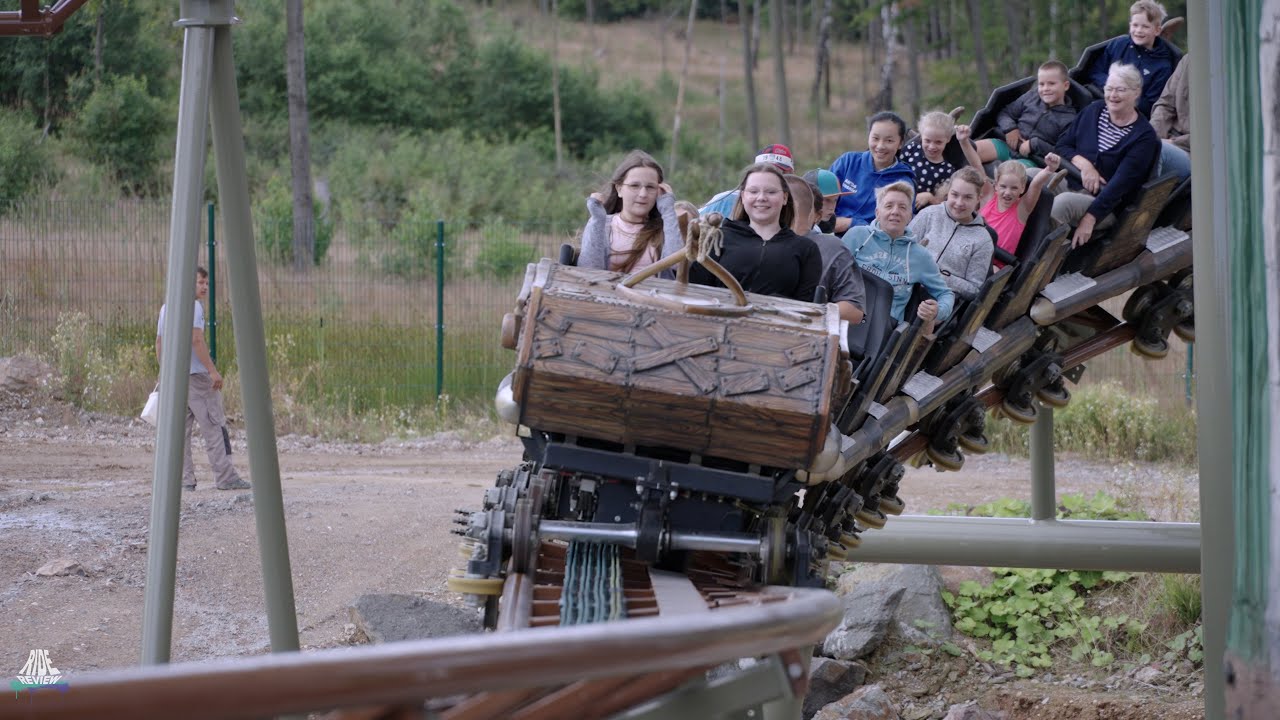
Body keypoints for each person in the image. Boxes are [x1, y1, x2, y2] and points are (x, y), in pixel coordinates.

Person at [155, 267, 249, 492]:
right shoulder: (194, 307)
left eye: (206, 283)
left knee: (180, 433)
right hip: (198, 379)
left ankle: (185, 480)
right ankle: (226, 477)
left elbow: (159, 343)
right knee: (215, 426)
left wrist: (165, 372)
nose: (205, 287)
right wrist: (212, 371)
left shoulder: (166, 309)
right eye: (200, 283)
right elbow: (196, 341)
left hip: (176, 379)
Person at [1054, 63, 1160, 248]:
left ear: (1136, 93)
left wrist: (1090, 218)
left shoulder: (1144, 137)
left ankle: (1045, 262)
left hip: (1104, 204)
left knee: (1062, 204)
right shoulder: (1094, 110)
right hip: (1073, 181)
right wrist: (1086, 165)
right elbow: (1063, 145)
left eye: (1120, 90)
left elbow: (1120, 186)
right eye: (1109, 89)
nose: (1113, 95)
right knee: (1031, 177)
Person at [688, 163, 822, 303]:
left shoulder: (806, 249)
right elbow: (696, 293)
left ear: (784, 198)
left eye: (771, 192)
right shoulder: (717, 239)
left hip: (778, 323)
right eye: (753, 191)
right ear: (743, 196)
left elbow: (806, 307)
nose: (761, 198)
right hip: (720, 322)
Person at [842, 182, 954, 327]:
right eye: (889, 206)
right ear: (877, 212)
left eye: (902, 207)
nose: (895, 211)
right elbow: (833, 272)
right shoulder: (856, 236)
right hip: (849, 315)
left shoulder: (920, 256)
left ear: (909, 216)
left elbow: (946, 294)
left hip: (883, 329)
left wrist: (937, 310)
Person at [579, 150, 681, 275]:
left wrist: (668, 211)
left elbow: (678, 266)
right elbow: (588, 271)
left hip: (652, 294)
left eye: (650, 187)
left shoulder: (667, 228)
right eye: (634, 186)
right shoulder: (602, 224)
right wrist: (597, 221)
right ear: (619, 189)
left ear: (659, 192)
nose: (643, 194)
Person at [906, 167, 993, 302]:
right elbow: (901, 248)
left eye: (968, 197)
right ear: (948, 193)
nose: (959, 203)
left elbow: (975, 290)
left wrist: (940, 276)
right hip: (905, 283)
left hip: (940, 299)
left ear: (978, 199)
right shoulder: (929, 214)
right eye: (955, 195)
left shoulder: (983, 240)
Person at [791, 172, 865, 324]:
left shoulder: (833, 247)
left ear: (817, 215)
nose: (831, 208)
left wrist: (810, 315)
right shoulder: (756, 240)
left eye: (835, 201)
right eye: (827, 200)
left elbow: (855, 309)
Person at [974, 61, 1079, 167]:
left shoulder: (1070, 119)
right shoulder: (1031, 97)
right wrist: (1010, 128)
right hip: (1006, 146)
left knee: (1010, 172)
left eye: (1051, 84)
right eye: (1041, 84)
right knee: (971, 150)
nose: (1045, 89)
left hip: (1033, 160)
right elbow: (1005, 113)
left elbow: (1063, 152)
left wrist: (1034, 144)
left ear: (1065, 85)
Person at [1085, 0, 1178, 116]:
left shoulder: (1162, 66)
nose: (1138, 31)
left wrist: (1125, 95)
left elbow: (1150, 105)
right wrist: (1113, 87)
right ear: (1130, 25)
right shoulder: (1118, 44)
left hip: (1133, 116)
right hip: (1099, 102)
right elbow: (1095, 72)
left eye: (1145, 26)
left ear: (1157, 30)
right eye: (1135, 25)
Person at [829, 111, 916, 233]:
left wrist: (852, 223)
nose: (880, 146)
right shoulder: (848, 162)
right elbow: (822, 199)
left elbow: (897, 224)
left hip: (871, 244)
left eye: (889, 141)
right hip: (830, 234)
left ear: (900, 143)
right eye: (875, 138)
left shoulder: (903, 182)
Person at [981, 154, 1063, 267]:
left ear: (1022, 188)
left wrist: (1049, 169)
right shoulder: (989, 197)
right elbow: (977, 167)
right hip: (974, 251)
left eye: (1014, 188)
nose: (1008, 192)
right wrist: (964, 141)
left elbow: (1036, 184)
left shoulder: (1022, 209)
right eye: (1003, 186)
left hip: (996, 263)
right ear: (996, 185)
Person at [899, 111, 984, 209]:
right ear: (921, 136)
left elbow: (944, 203)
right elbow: (895, 170)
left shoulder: (947, 170)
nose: (932, 146)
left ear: (947, 139)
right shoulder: (911, 149)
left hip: (923, 211)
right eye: (927, 140)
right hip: (900, 201)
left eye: (938, 142)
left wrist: (929, 197)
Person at [699, 144, 795, 218]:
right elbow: (692, 222)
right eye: (763, 170)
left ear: (791, 175)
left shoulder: (800, 206)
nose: (768, 178)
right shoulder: (725, 200)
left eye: (778, 173)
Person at [1149, 53, 1191, 179]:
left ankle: (1146, 199)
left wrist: (1173, 142)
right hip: (1166, 138)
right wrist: (1152, 136)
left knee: (1156, 151)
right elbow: (1165, 104)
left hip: (1194, 152)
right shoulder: (1188, 61)